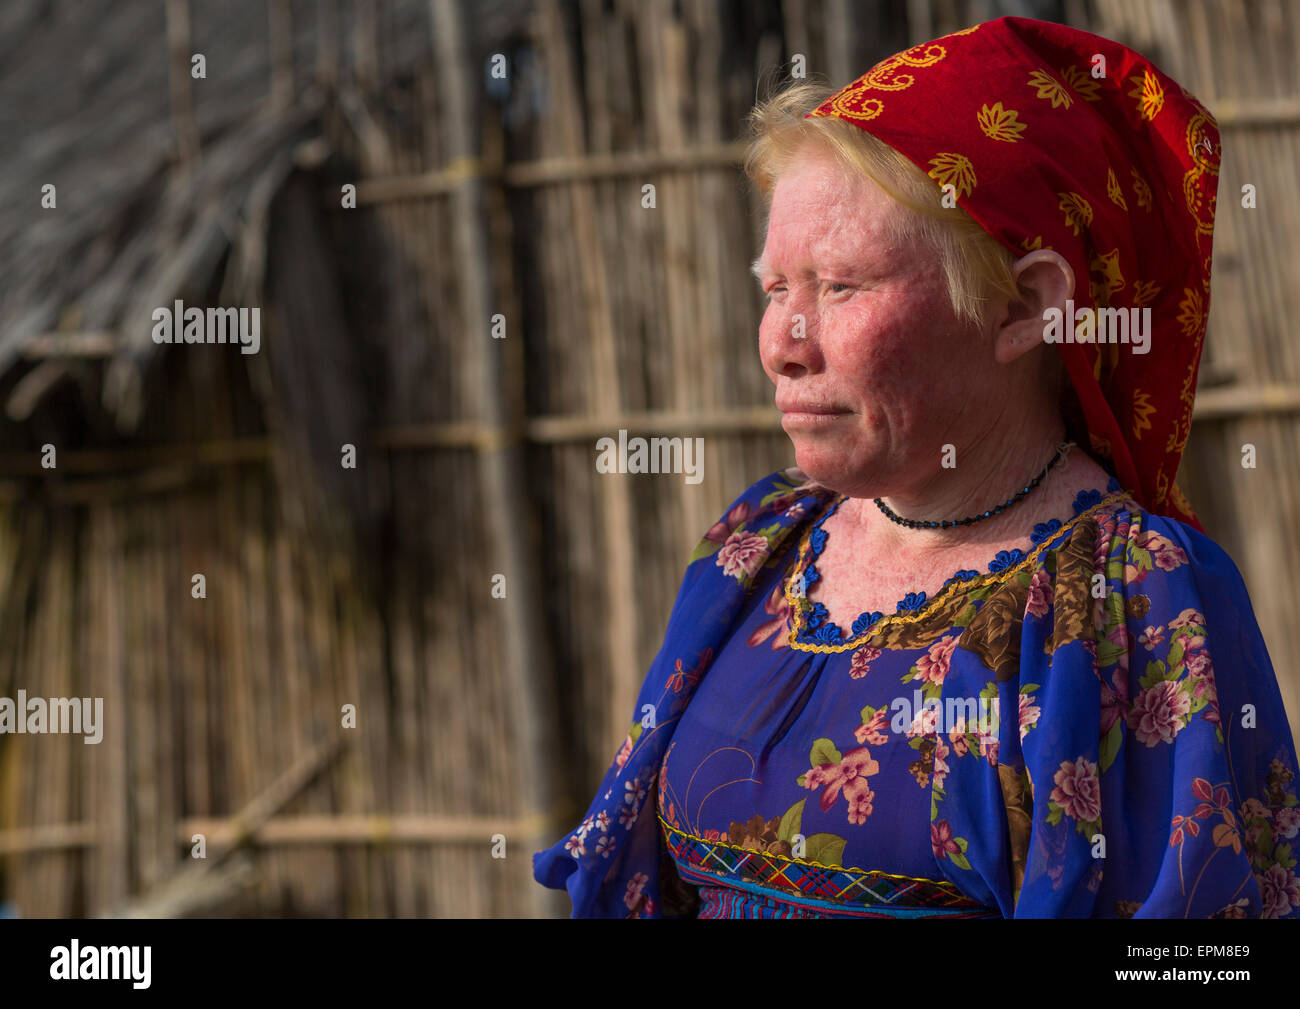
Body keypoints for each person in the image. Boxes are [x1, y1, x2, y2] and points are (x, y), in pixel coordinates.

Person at [532, 15, 1300, 918]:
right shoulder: (758, 545)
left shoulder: (1131, 603)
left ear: (1024, 309)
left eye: (843, 285)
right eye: (776, 288)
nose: (783, 341)